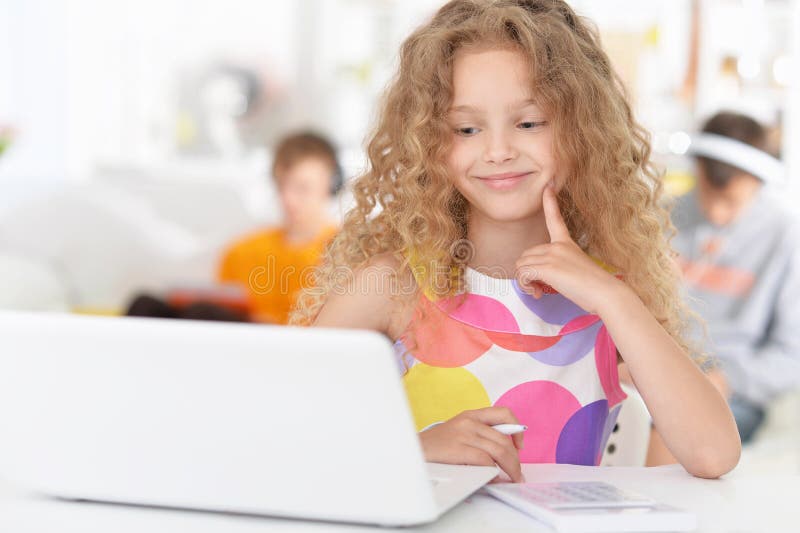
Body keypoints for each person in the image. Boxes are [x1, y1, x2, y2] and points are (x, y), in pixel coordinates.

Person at [292, 0, 740, 482]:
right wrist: (414, 447)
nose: (499, 150)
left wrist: (613, 297)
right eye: (466, 128)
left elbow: (713, 455)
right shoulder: (392, 287)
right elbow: (279, 427)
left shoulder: (607, 297)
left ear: (581, 131)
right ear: (430, 145)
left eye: (529, 123)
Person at [671, 111, 800, 443]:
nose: (715, 212)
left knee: (678, 428)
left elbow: (791, 355)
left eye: (730, 201)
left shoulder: (785, 235)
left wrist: (728, 380)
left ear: (757, 181)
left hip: (734, 390)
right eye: (708, 193)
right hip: (663, 369)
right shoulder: (665, 216)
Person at [218, 132, 341, 324]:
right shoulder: (240, 252)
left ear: (332, 185)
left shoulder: (350, 255)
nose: (288, 199)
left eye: (302, 188)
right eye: (282, 186)